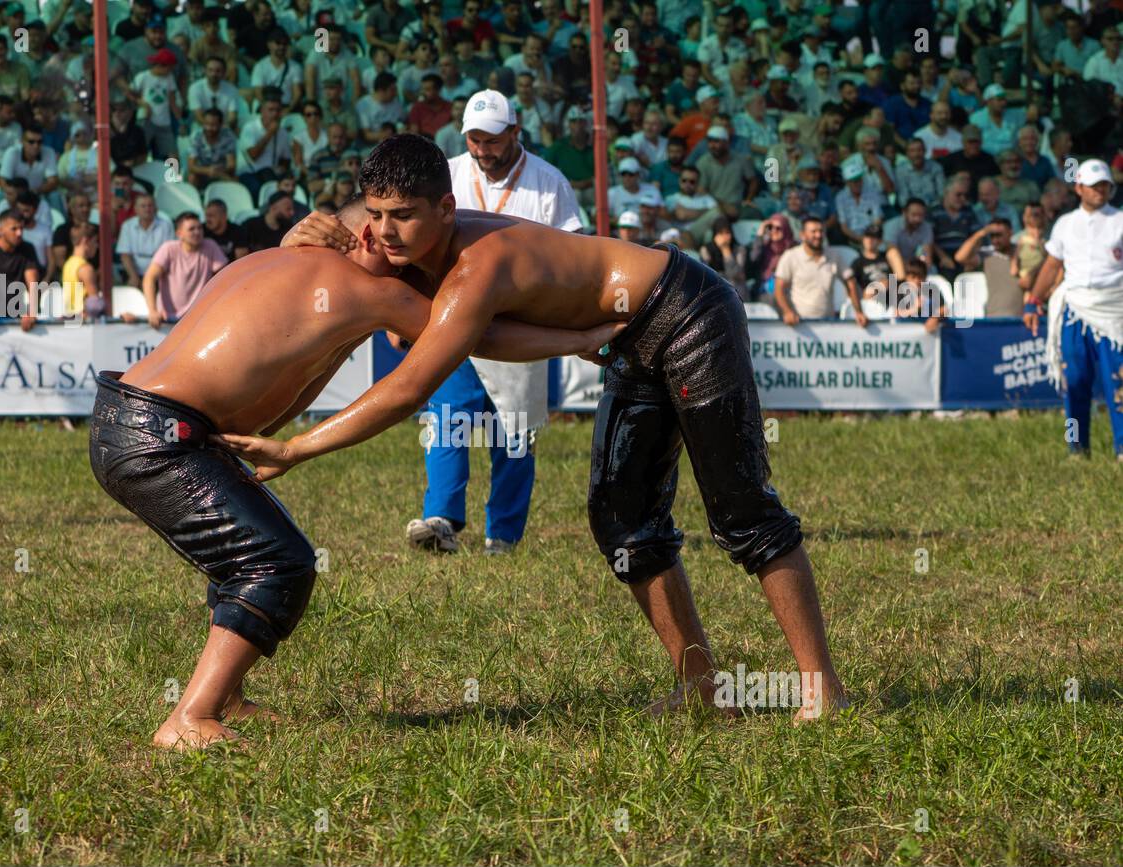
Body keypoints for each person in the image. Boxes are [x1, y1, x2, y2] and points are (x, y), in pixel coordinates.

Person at [256, 135, 849, 719]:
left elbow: (409, 388)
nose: (385, 233)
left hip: (687, 307)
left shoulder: (474, 268)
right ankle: (704, 688)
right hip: (627, 335)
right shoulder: (389, 228)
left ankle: (823, 689)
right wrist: (299, 238)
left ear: (446, 208)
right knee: (623, 520)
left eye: (404, 217)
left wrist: (296, 446)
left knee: (740, 509)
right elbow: (354, 240)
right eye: (378, 216)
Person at [89, 194, 619, 748]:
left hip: (129, 415)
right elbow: (473, 332)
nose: (416, 272)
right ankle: (188, 719)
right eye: (401, 257)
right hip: (160, 435)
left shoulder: (278, 259)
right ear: (364, 237)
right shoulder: (372, 289)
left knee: (247, 550)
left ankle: (227, 698)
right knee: (278, 562)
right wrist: (580, 339)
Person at [404, 90, 582, 556]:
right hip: (453, 317)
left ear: (515, 133)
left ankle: (502, 536)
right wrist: (405, 308)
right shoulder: (448, 174)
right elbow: (417, 244)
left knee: (515, 434)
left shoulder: (549, 182)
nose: (482, 149)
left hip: (522, 321)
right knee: (446, 421)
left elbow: (574, 251)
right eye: (474, 140)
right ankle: (440, 519)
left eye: (491, 140)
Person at [1026, 158, 1123, 460]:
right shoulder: (1065, 223)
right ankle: (1076, 448)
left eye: (1105, 185)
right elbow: (1052, 264)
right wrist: (1033, 300)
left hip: (1116, 308)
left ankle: (1122, 448)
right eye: (1094, 186)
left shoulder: (1120, 219)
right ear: (1078, 187)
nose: (1100, 191)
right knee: (1074, 382)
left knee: (1118, 382)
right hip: (1076, 308)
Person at [774, 217, 867, 327]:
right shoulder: (791, 256)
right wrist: (787, 311)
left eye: (821, 231)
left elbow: (851, 283)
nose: (818, 235)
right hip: (799, 325)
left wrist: (858, 311)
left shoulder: (834, 255)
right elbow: (779, 289)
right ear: (802, 235)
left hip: (828, 323)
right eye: (813, 232)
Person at [142, 212, 228, 328]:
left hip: (198, 321)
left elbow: (225, 278)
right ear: (179, 233)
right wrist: (152, 311)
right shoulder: (169, 249)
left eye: (199, 228)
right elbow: (149, 278)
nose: (197, 232)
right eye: (191, 229)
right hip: (167, 321)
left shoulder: (210, 246)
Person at [0, 208, 41, 332]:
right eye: (14, 229)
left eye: (21, 228)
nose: (19, 233)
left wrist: (31, 312)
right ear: (1, 230)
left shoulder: (28, 249)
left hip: (16, 316)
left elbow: (33, 283)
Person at [955, 217, 1023, 319]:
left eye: (999, 235)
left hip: (1024, 316)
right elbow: (960, 257)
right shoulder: (987, 254)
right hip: (995, 316)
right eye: (992, 235)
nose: (995, 240)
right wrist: (981, 233)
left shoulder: (1022, 252)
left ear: (1010, 233)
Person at [116, 193, 173, 289]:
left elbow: (170, 254)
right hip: (134, 273)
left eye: (150, 205)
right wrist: (133, 276)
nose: (147, 209)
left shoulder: (166, 225)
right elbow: (125, 255)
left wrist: (152, 277)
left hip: (159, 274)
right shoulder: (127, 226)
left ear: (156, 208)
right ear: (135, 209)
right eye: (143, 206)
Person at [62, 223, 99, 317]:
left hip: (71, 318)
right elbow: (95, 305)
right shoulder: (86, 269)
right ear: (86, 241)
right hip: (84, 322)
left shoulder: (68, 264)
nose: (97, 246)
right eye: (95, 241)